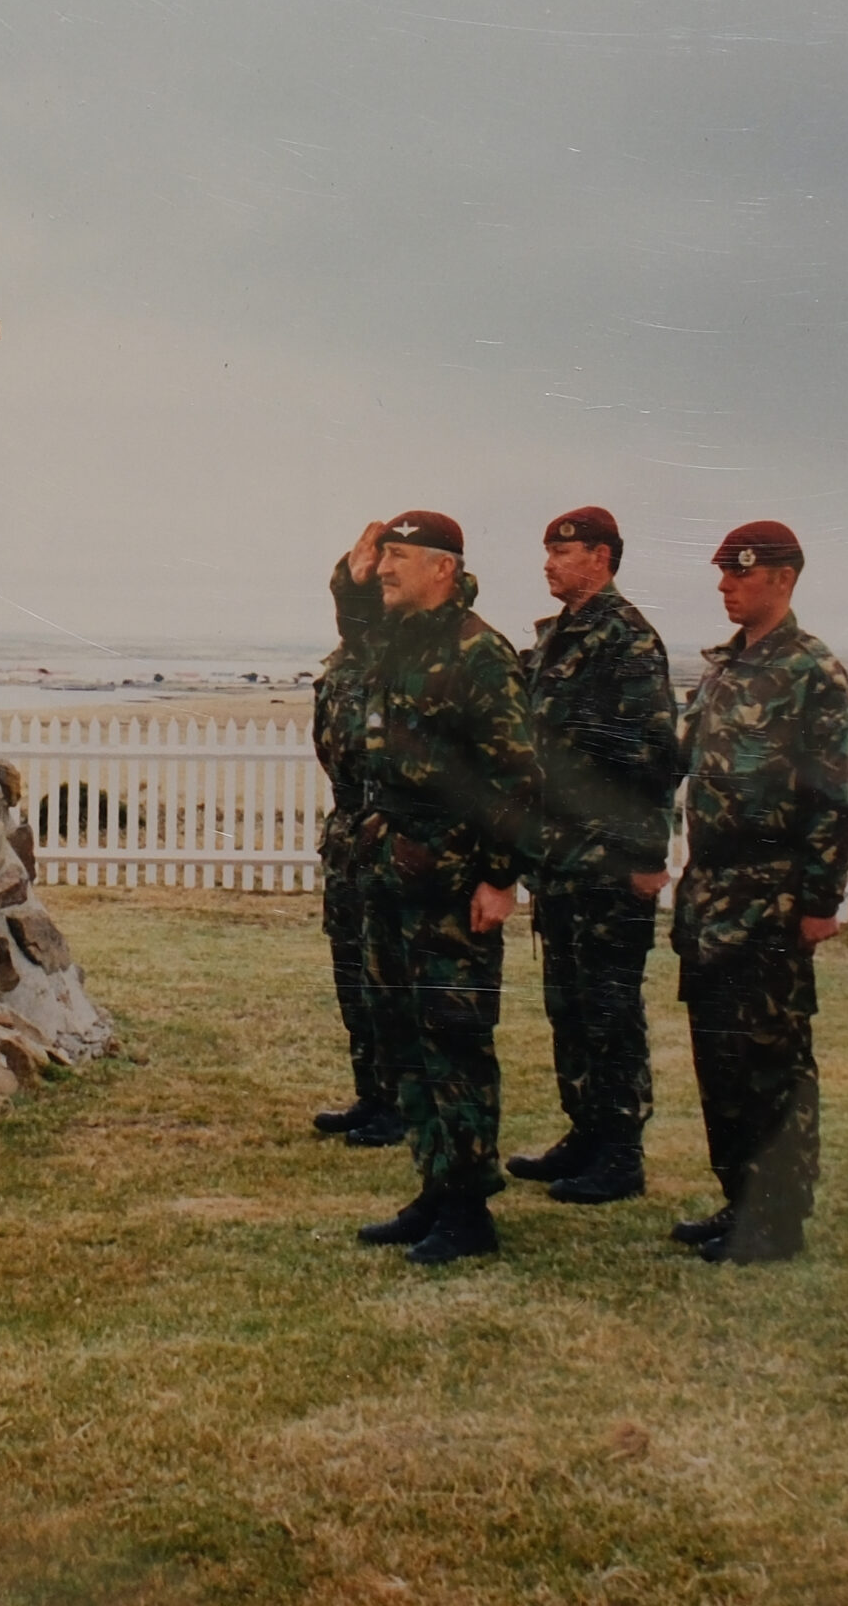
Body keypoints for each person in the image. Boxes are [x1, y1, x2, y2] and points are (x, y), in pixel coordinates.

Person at [331, 514, 541, 1264]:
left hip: (454, 881)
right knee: (404, 1039)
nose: (385, 568)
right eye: (383, 557)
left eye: (399, 558)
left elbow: (517, 775)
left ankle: (469, 1210)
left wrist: (500, 878)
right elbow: (356, 631)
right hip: (395, 868)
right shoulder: (401, 640)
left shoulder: (480, 654)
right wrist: (350, 575)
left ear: (444, 569)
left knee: (454, 1040)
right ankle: (433, 1186)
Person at [669, 522, 848, 1264]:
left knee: (772, 1061)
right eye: (722, 575)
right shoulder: (723, 669)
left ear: (781, 578)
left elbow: (833, 799)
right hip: (711, 890)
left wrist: (820, 900)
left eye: (740, 575)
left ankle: (777, 1219)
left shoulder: (813, 672)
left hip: (773, 891)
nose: (726, 586)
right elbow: (680, 752)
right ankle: (738, 1200)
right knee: (720, 1059)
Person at [508, 507, 681, 1206]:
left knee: (609, 1006)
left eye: (565, 550)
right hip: (560, 857)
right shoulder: (557, 640)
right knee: (569, 1003)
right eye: (547, 549)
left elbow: (655, 755)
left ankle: (621, 1150)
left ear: (602, 558)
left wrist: (644, 854)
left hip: (609, 858)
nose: (550, 562)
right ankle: (584, 1130)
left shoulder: (626, 639)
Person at [310, 566, 402, 1149]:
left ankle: (398, 1102)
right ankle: (371, 1095)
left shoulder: (395, 657)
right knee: (353, 975)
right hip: (348, 836)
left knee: (388, 975)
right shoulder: (344, 663)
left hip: (387, 833)